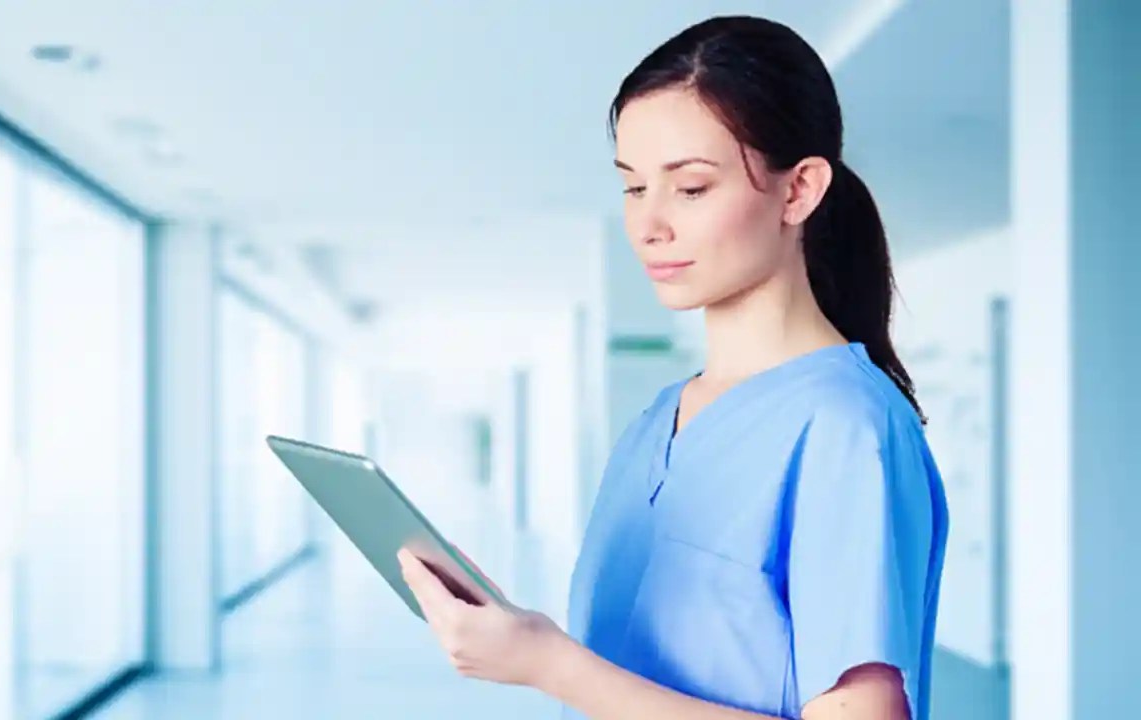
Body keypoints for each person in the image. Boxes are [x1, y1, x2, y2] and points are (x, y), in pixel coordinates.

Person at [397, 14, 949, 720]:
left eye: (690, 188)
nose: (649, 224)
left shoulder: (844, 426)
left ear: (799, 191)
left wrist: (548, 662)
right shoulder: (659, 421)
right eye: (633, 187)